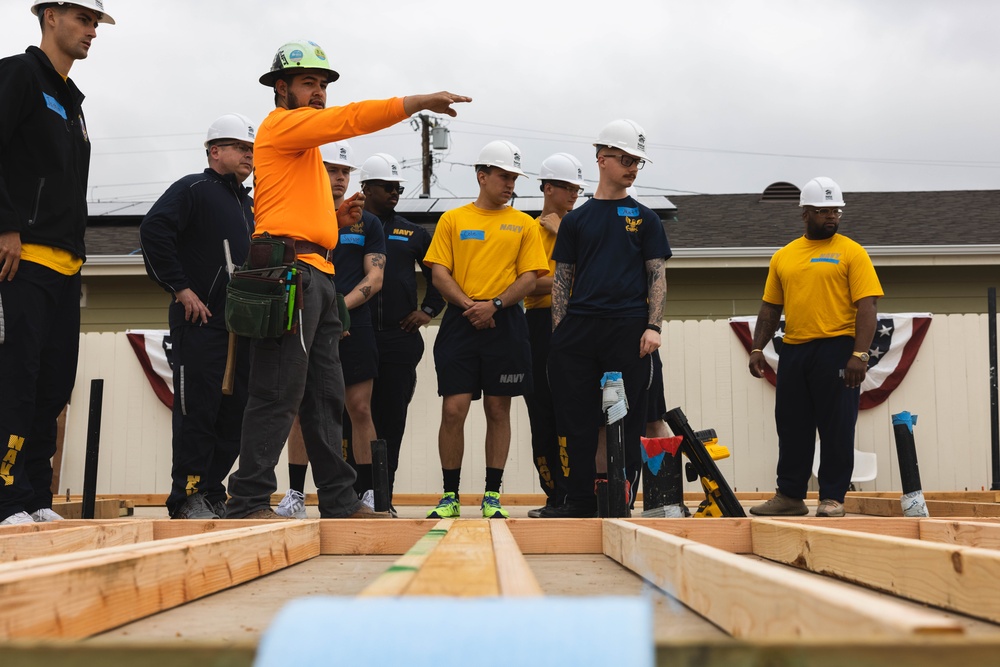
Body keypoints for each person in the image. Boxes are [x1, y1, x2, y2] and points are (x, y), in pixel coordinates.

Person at [224, 39, 469, 520]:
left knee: (324, 396)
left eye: (323, 84)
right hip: (287, 272)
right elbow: (352, 118)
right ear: (282, 88)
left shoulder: (305, 148)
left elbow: (290, 211)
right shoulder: (283, 125)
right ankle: (247, 500)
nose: (319, 93)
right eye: (308, 83)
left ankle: (338, 498)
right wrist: (418, 102)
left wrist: (334, 215)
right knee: (277, 392)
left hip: (314, 274)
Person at [0, 1, 115, 526]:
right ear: (50, 16)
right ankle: (4, 498)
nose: (93, 31)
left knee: (52, 384)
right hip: (20, 260)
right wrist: (6, 225)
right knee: (16, 379)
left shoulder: (73, 100)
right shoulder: (19, 74)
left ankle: (31, 496)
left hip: (67, 266)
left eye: (95, 23)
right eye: (84, 19)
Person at [541, 119, 671, 518]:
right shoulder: (577, 220)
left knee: (626, 419)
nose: (633, 168)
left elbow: (657, 275)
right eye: (627, 159)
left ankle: (620, 499)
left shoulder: (645, 218)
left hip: (628, 328)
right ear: (602, 159)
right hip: (580, 330)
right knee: (578, 420)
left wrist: (653, 326)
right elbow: (562, 279)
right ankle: (580, 501)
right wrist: (561, 333)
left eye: (638, 162)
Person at [422, 140, 548, 520]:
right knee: (453, 410)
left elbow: (530, 277)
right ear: (482, 176)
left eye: (514, 178)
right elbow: (439, 272)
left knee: (498, 407)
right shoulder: (453, 219)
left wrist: (493, 305)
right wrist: (469, 306)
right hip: (461, 320)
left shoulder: (524, 223)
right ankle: (450, 496)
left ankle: (492, 495)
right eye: (504, 176)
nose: (510, 184)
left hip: (505, 321)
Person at [139, 114, 256, 520]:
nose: (248, 155)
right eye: (241, 147)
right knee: (197, 414)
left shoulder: (248, 204)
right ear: (214, 151)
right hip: (200, 324)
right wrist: (180, 287)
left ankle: (210, 491)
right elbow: (153, 231)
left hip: (241, 328)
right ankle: (186, 497)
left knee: (235, 415)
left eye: (252, 149)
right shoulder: (193, 188)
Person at [748, 176, 882, 519]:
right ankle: (790, 496)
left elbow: (868, 306)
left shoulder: (852, 252)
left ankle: (832, 497)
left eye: (835, 210)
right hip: (794, 350)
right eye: (823, 211)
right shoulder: (784, 256)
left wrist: (860, 354)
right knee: (792, 425)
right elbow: (770, 307)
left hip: (838, 349)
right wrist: (757, 347)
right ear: (805, 213)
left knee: (837, 425)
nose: (832, 216)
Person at [276, 141, 386, 518]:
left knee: (358, 408)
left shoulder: (367, 222)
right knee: (299, 409)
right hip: (306, 320)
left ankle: (368, 492)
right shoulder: (301, 216)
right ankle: (295, 496)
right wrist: (321, 314)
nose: (339, 178)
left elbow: (376, 276)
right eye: (331, 170)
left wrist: (338, 310)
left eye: (345, 172)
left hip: (355, 324)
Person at [361, 153, 444, 512]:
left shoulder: (412, 232)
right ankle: (354, 495)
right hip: (357, 336)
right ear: (366, 188)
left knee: (391, 420)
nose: (395, 192)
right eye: (387, 187)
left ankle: (383, 497)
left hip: (398, 340)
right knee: (355, 416)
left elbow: (441, 276)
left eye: (398, 187)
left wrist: (426, 311)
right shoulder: (345, 227)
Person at [521, 153, 586, 518]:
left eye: (578, 187)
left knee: (576, 411)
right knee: (542, 410)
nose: (574, 193)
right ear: (548, 187)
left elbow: (593, 273)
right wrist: (570, 280)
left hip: (578, 323)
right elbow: (529, 285)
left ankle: (579, 491)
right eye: (567, 186)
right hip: (540, 322)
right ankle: (554, 495)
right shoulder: (530, 229)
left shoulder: (580, 227)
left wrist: (564, 238)